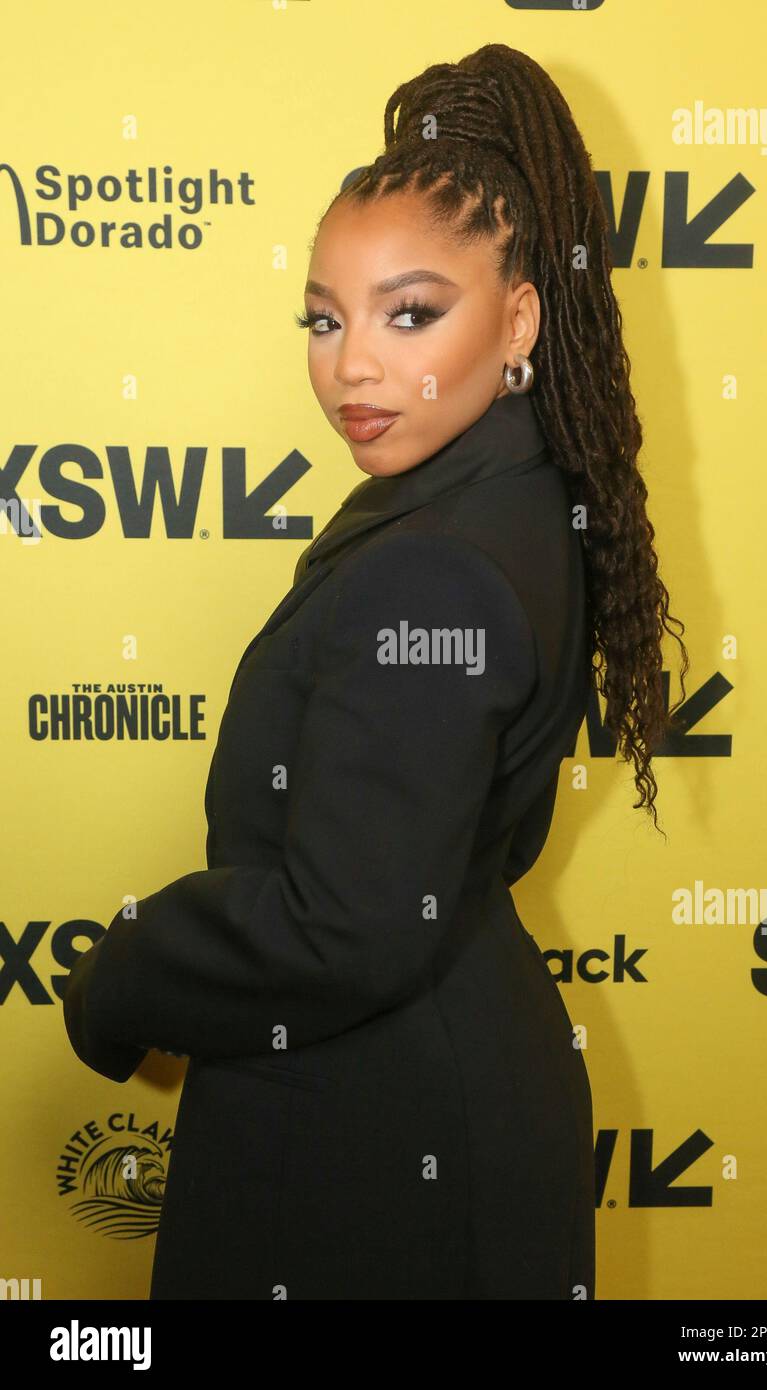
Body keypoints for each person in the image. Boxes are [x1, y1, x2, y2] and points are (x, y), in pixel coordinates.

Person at [63, 42, 688, 1300]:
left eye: (410, 313)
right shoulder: (502, 495)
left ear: (518, 318)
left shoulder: (442, 563)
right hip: (419, 1093)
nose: (349, 365)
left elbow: (342, 925)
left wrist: (122, 967)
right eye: (324, 318)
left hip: (376, 1138)